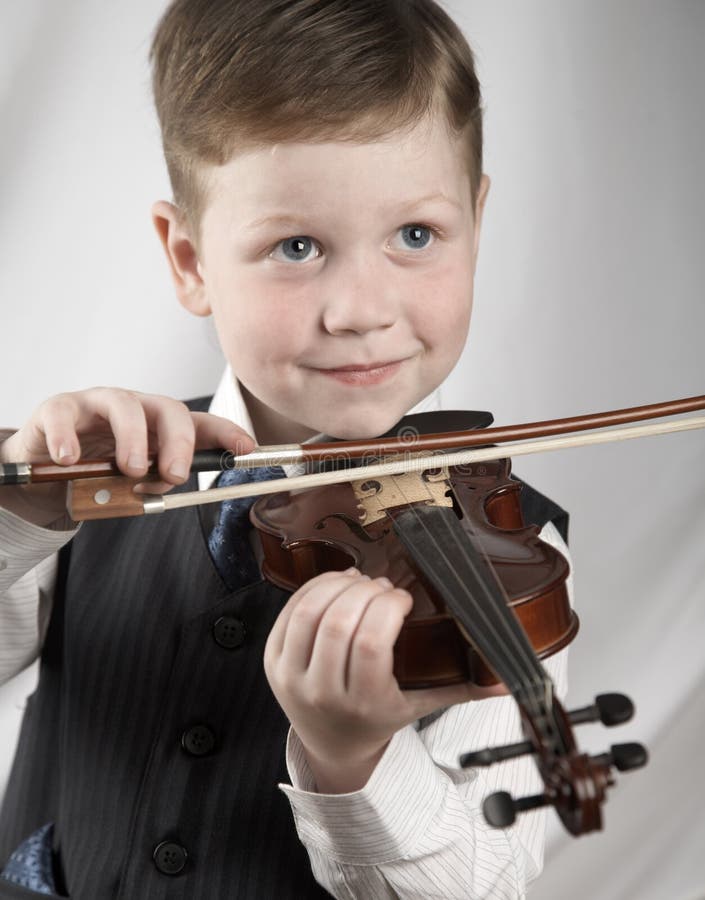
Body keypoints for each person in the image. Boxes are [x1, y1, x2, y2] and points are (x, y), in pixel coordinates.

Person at [0, 1, 570, 897]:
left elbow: (486, 882)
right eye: (296, 246)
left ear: (476, 218)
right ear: (188, 260)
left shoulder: (515, 557)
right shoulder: (101, 473)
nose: (360, 310)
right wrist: (22, 514)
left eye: (415, 236)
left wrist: (352, 758)